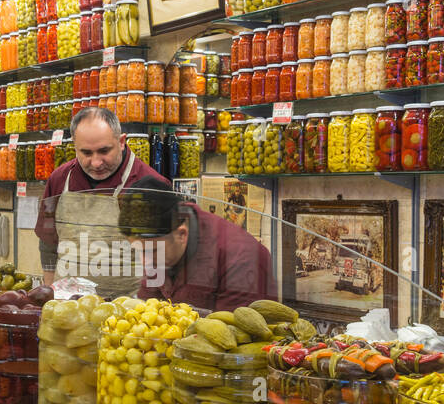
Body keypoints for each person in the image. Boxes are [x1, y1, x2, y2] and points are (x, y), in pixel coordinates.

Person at [35, 107, 168, 297]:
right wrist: (49, 292)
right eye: (86, 153)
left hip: (130, 314)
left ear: (121, 142)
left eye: (104, 151)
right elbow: (48, 243)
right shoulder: (59, 180)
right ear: (74, 146)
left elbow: (165, 259)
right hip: (67, 310)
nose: (96, 162)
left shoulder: (151, 185)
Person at [117, 186, 276, 313]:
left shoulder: (241, 257)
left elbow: (235, 340)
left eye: (150, 251)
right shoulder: (160, 244)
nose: (144, 261)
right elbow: (147, 307)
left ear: (182, 234)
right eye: (138, 250)